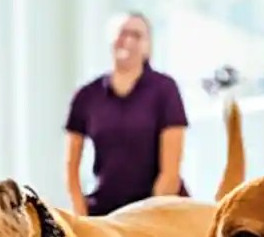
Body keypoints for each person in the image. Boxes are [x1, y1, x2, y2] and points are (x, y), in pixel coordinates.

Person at [64, 11, 188, 217]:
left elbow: (170, 172)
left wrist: (148, 218)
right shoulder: (87, 95)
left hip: (159, 210)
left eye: (137, 35)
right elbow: (71, 169)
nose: (128, 40)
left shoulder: (165, 90)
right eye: (122, 33)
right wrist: (81, 214)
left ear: (148, 45)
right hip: (105, 212)